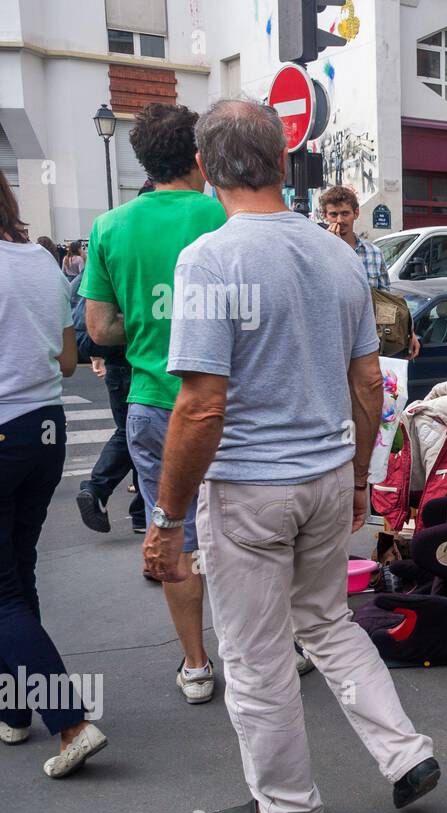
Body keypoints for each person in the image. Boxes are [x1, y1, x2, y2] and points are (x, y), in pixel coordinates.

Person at [144, 99, 439, 813]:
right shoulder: (338, 254)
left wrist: (166, 519)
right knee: (328, 622)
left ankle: (287, 802)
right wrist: (356, 478)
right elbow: (369, 383)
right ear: (282, 162)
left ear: (206, 168)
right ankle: (405, 753)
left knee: (255, 653)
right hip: (324, 474)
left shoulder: (211, 258)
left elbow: (200, 407)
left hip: (250, 487)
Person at [81, 102, 226, 706]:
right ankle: (279, 647)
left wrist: (147, 326)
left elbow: (98, 327)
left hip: (151, 403)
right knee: (248, 531)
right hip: (224, 401)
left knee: (176, 535)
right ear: (199, 156)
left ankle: (195, 664)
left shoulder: (109, 227)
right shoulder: (221, 213)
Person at [0, 170, 109, 778]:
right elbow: (69, 361)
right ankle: (18, 705)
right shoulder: (40, 261)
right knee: (17, 571)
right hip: (44, 430)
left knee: (2, 590)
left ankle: (68, 720)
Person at [72, 272, 147, 535]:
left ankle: (140, 511)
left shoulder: (100, 265)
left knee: (135, 431)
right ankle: (100, 489)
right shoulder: (131, 260)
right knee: (137, 431)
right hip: (136, 359)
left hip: (118, 363)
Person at [318, 184, 418, 359]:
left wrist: (409, 333)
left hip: (367, 341)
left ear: (356, 213)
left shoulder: (373, 253)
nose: (339, 220)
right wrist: (332, 248)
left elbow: (386, 301)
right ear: (325, 216)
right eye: (334, 214)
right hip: (331, 341)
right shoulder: (317, 252)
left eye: (345, 213)